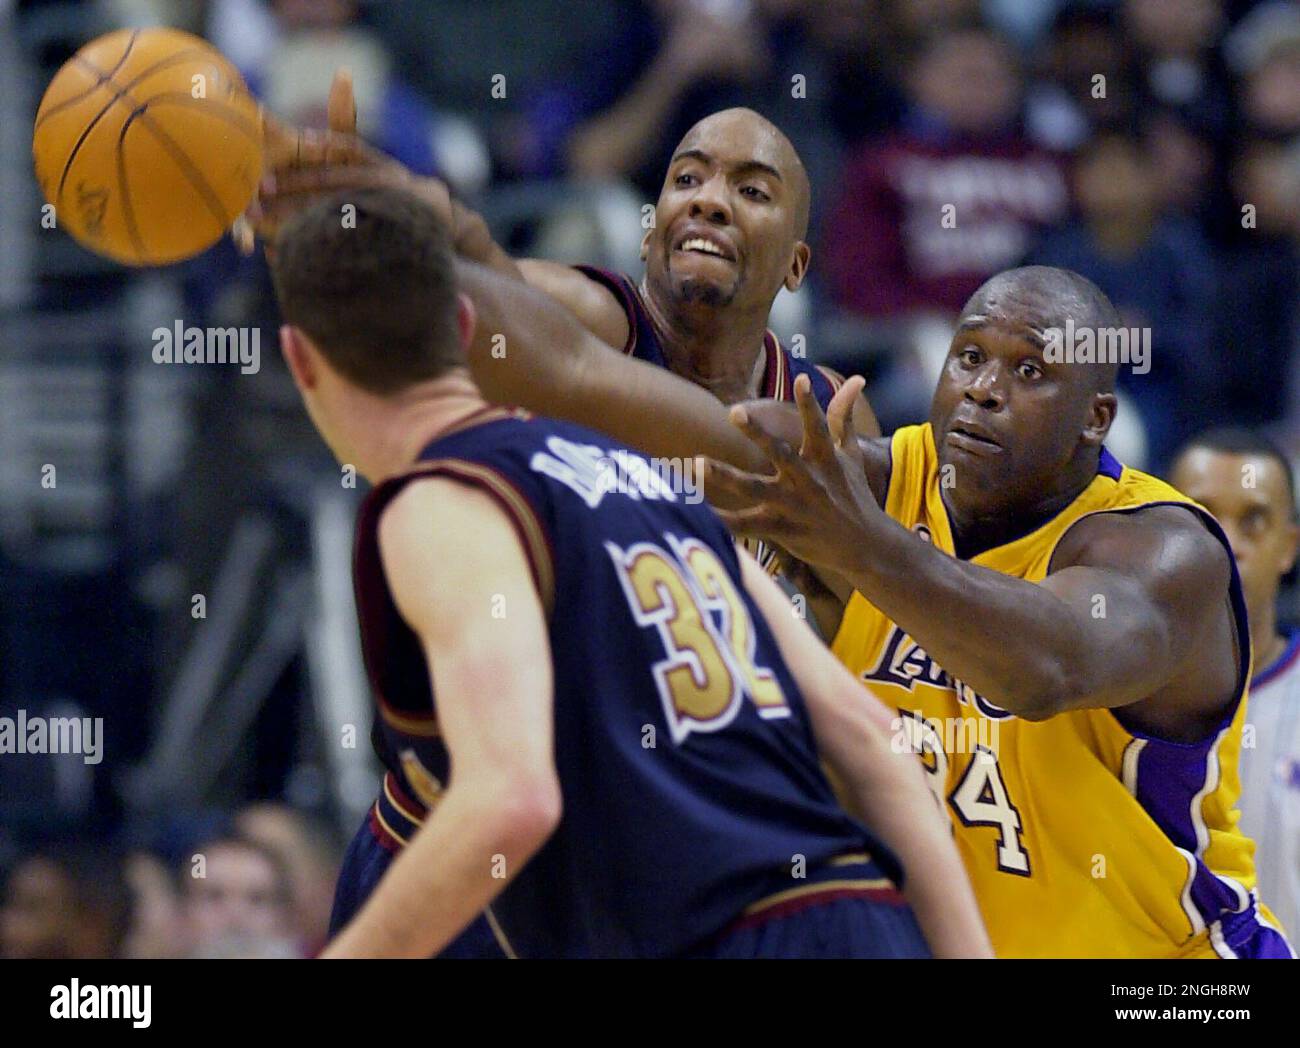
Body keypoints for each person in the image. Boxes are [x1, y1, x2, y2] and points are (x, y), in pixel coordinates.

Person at [267, 185, 989, 959]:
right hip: (861, 920)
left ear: (301, 360)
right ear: (467, 327)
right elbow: (875, 742)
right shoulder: (660, 483)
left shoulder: (443, 499)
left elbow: (510, 799)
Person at [699, 265, 1295, 958]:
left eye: (1031, 371)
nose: (984, 390)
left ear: (1094, 419)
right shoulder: (884, 488)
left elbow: (1044, 669)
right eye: (971, 357)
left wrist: (860, 546)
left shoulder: (1165, 551)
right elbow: (732, 442)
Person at [1170, 428, 1300, 940]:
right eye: (1203, 517)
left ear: (1288, 547)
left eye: (1253, 521)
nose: (1227, 543)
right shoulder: (1098, 702)